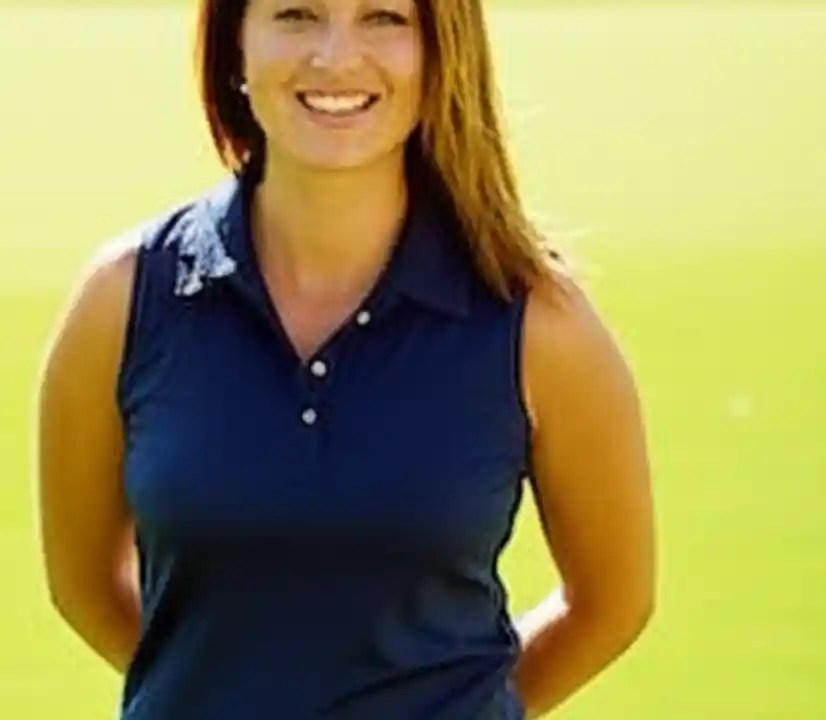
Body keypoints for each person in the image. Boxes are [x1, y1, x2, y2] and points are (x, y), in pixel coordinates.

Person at [36, 0, 655, 717]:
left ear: (441, 53)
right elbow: (82, 585)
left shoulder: (540, 324)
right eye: (296, 15)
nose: (335, 56)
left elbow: (612, 602)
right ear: (234, 46)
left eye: (384, 18)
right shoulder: (123, 300)